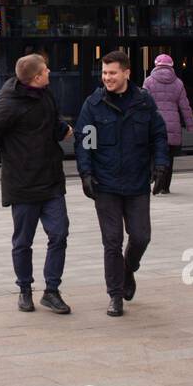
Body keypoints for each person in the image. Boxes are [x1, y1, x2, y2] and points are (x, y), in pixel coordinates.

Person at [0, 53, 73, 315]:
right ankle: (25, 290)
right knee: (23, 241)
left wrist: (62, 130)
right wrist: (15, 149)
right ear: (35, 77)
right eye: (45, 70)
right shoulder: (9, 104)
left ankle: (51, 291)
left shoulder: (46, 94)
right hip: (22, 183)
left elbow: (51, 124)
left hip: (51, 179)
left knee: (60, 233)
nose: (50, 71)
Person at [75, 51, 169, 317]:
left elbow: (159, 135)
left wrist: (161, 164)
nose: (107, 78)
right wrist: (85, 173)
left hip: (137, 182)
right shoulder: (92, 105)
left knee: (141, 236)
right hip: (105, 185)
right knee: (112, 241)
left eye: (112, 73)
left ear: (127, 73)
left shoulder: (144, 102)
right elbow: (84, 143)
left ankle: (128, 269)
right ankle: (115, 295)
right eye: (104, 73)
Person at [142, 53, 193, 194]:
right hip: (172, 125)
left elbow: (143, 104)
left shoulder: (149, 81)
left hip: (154, 124)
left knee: (153, 152)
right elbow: (185, 106)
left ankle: (154, 175)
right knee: (169, 156)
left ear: (155, 65)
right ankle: (165, 186)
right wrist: (191, 125)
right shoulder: (178, 83)